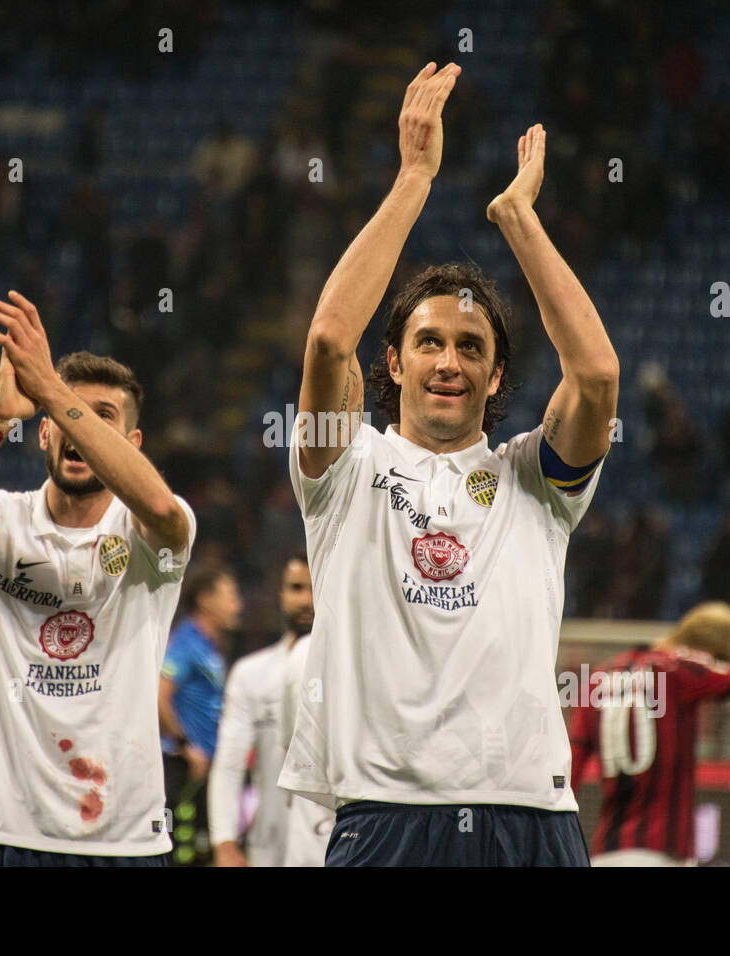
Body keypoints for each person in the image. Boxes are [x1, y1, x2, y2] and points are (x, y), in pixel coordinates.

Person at [279, 62, 620, 866]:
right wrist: (414, 179)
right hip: (389, 816)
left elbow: (597, 375)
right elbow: (330, 338)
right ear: (392, 364)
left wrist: (517, 220)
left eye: (472, 347)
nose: (448, 360)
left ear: (496, 377)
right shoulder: (344, 470)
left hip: (532, 814)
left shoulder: (535, 480)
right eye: (427, 341)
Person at [0, 291, 195, 866]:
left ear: (131, 446)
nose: (81, 430)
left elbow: (163, 510)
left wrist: (52, 389)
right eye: (69, 416)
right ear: (46, 434)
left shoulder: (150, 532)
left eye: (105, 417)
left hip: (121, 840)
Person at [569, 602, 730, 865]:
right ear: (710, 651)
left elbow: (571, 764)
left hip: (605, 852)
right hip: (662, 853)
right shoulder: (680, 671)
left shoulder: (597, 678)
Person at [208, 554, 314, 866]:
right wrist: (224, 841)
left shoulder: (354, 673)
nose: (306, 599)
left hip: (339, 845)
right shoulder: (251, 674)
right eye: (296, 588)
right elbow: (229, 763)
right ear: (280, 594)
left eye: (314, 586)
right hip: (268, 849)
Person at [158, 566, 240, 865]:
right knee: (183, 855)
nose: (238, 604)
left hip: (204, 766)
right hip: (184, 768)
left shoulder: (209, 646)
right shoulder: (187, 642)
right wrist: (185, 747)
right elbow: (160, 695)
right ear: (206, 600)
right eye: (231, 595)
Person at [279, 631, 336, 867]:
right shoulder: (303, 652)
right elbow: (288, 744)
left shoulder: (302, 651)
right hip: (312, 835)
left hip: (359, 827)